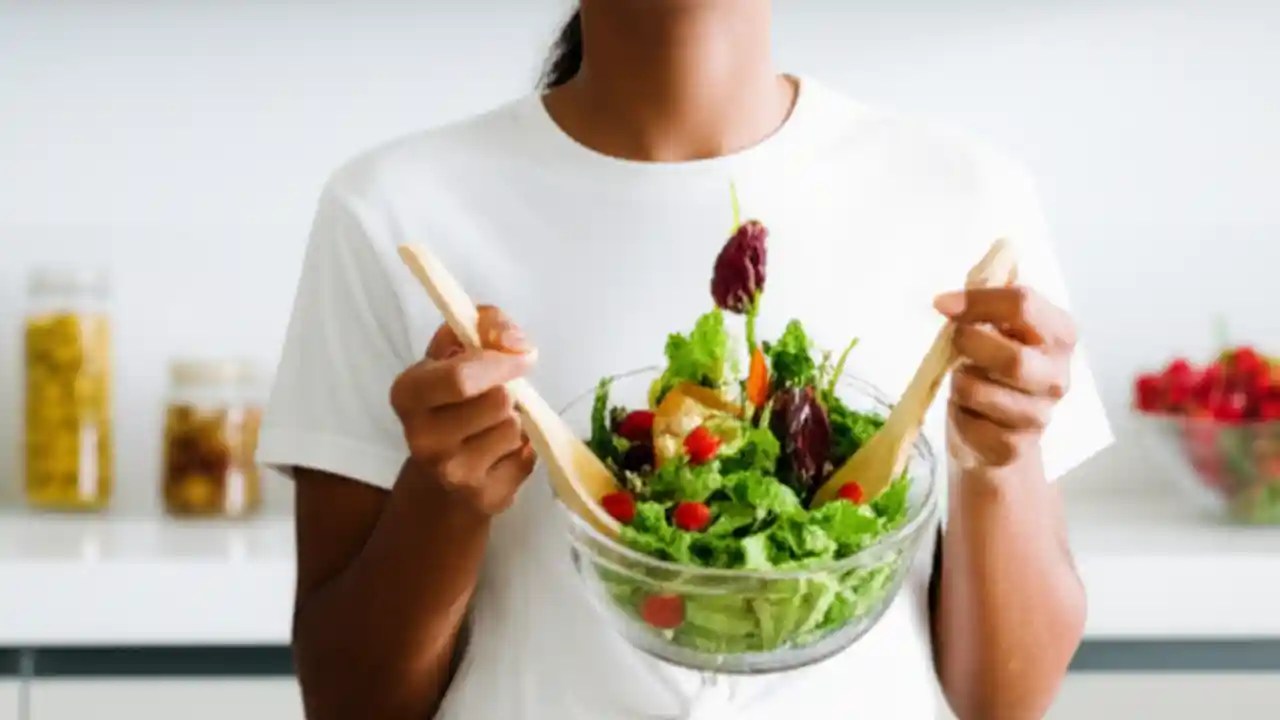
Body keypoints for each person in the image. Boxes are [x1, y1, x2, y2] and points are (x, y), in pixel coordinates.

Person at [257, 1, 1112, 718]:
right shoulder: (395, 208)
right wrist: (442, 502)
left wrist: (998, 462)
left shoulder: (964, 194)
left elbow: (1005, 702)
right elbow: (348, 699)